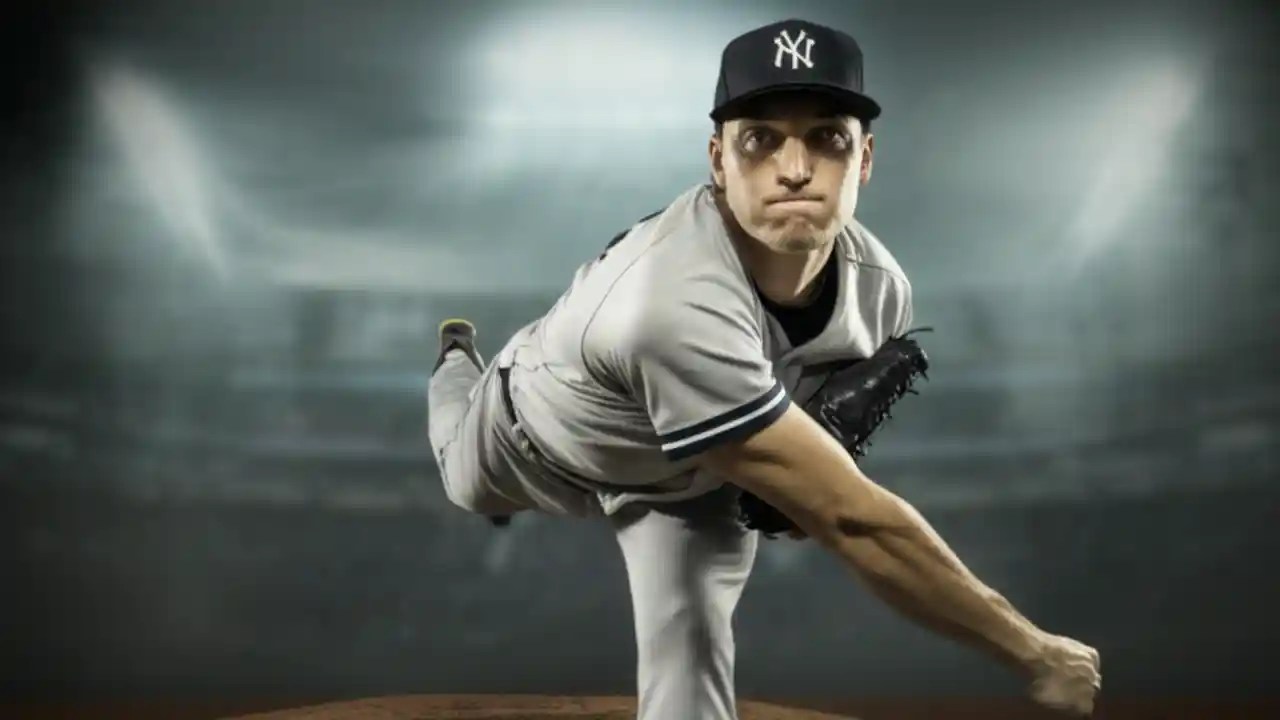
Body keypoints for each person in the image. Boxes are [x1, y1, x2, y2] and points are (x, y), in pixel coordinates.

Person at [427, 18, 1101, 720]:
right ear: (717, 159)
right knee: (464, 481)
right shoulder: (670, 301)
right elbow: (852, 519)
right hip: (534, 438)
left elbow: (813, 486)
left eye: (827, 137)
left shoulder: (881, 294)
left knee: (691, 653)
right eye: (761, 139)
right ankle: (456, 355)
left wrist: (804, 476)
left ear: (864, 158)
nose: (796, 168)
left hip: (690, 483)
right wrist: (1034, 652)